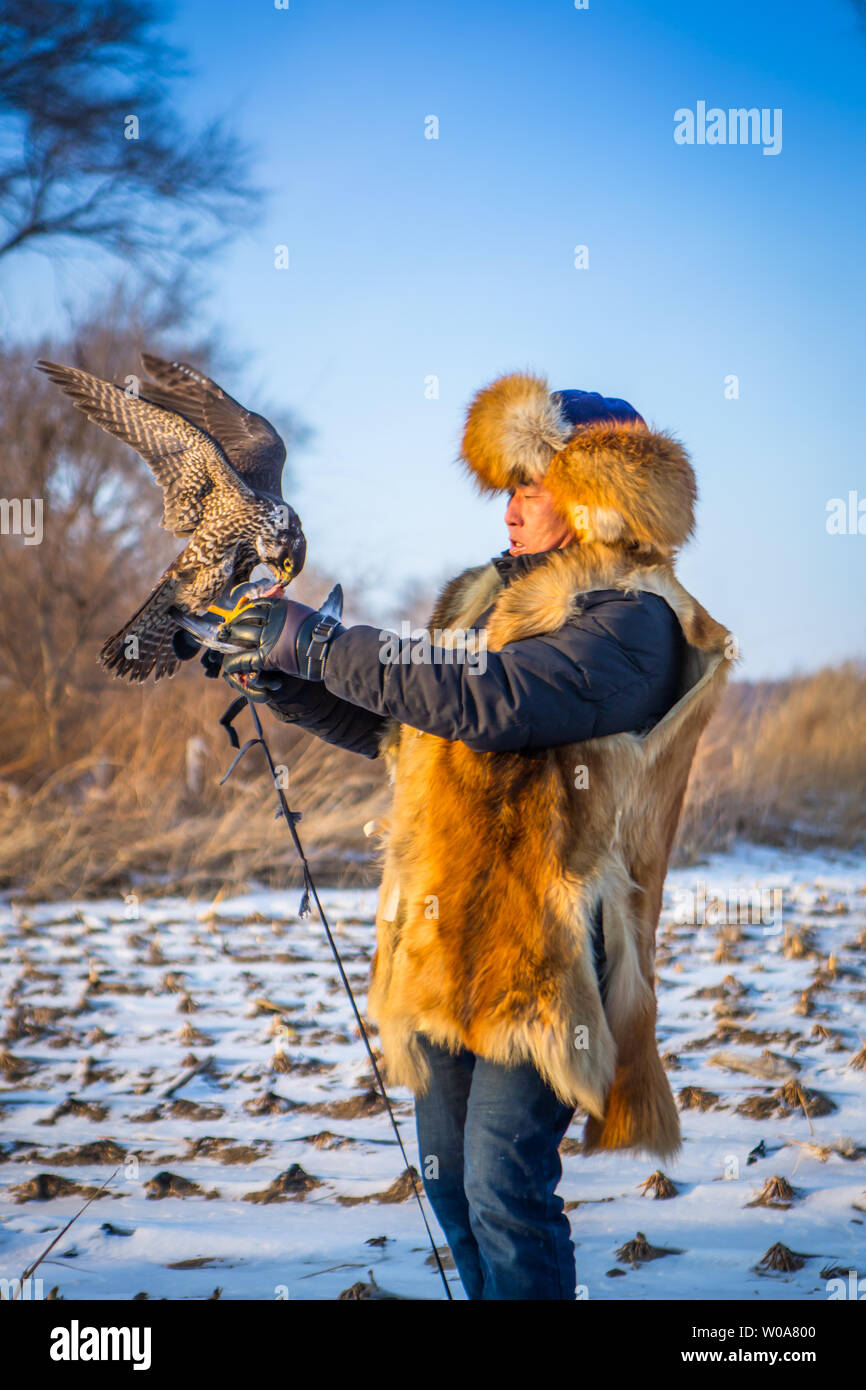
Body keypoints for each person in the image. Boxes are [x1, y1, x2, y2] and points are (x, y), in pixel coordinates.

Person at [207, 372, 735, 1300]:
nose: (515, 504)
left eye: (536, 484)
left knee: (504, 1185)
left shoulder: (633, 620)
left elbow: (495, 703)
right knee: (450, 1182)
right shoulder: (483, 600)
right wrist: (281, 676)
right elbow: (412, 727)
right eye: (511, 484)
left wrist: (319, 641)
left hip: (548, 945)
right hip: (449, 934)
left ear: (597, 497)